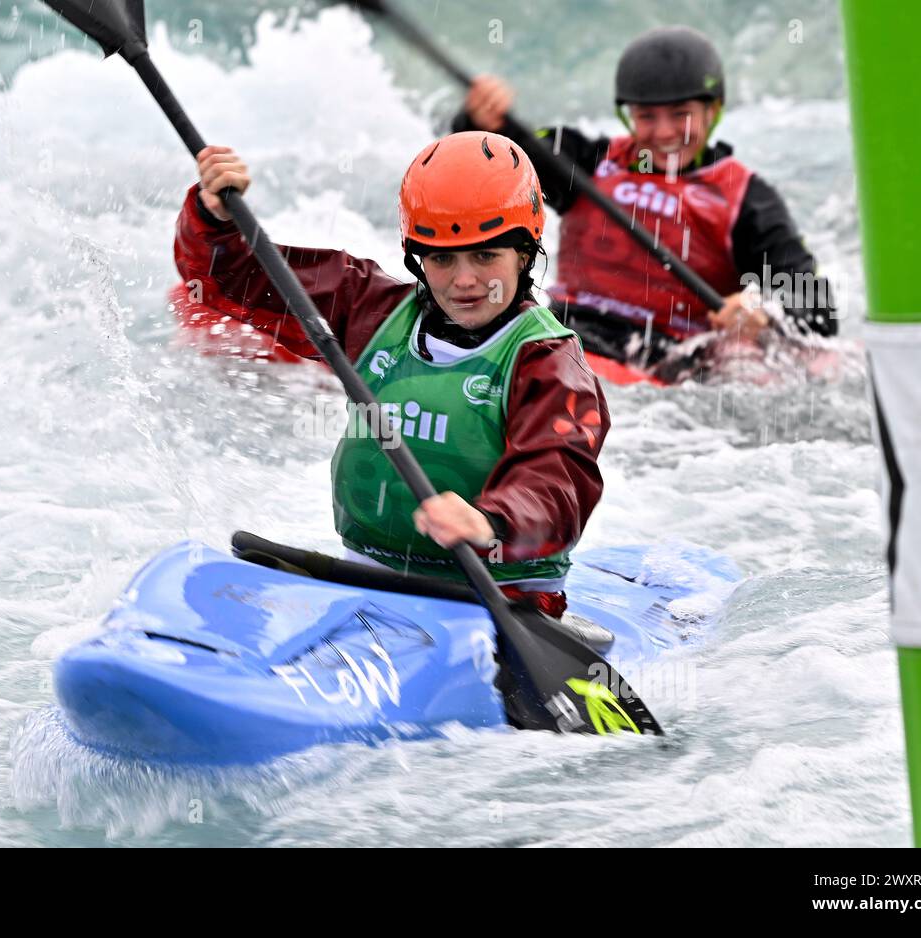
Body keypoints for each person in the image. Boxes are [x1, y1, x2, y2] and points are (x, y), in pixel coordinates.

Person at [173, 132, 610, 617]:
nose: (462, 279)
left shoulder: (547, 359)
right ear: (417, 256)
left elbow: (561, 475)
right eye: (442, 258)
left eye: (485, 255)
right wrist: (214, 220)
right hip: (368, 578)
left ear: (525, 254)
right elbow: (230, 278)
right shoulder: (370, 308)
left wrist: (492, 520)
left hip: (499, 604)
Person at [455, 25, 838, 380]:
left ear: (714, 110)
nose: (665, 132)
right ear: (628, 114)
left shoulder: (748, 201)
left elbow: (816, 305)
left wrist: (764, 313)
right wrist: (479, 120)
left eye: (681, 115)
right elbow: (486, 160)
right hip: (563, 333)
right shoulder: (587, 161)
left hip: (665, 361)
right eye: (647, 116)